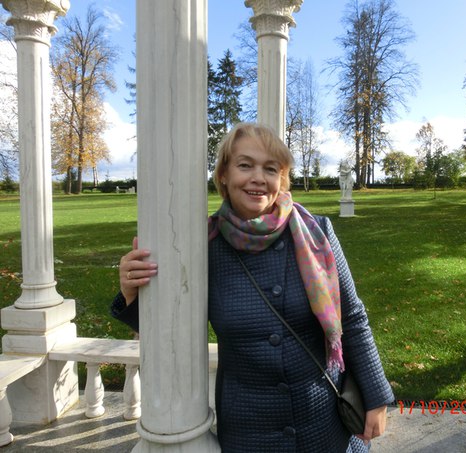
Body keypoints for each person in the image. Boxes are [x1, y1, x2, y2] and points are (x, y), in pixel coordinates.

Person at [111, 122, 393, 452]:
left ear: (281, 179)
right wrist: (132, 294)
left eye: (270, 169)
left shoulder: (317, 233)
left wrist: (376, 397)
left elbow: (353, 318)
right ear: (224, 175)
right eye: (245, 165)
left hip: (325, 424)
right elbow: (170, 333)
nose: (258, 177)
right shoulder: (201, 247)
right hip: (250, 431)